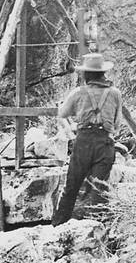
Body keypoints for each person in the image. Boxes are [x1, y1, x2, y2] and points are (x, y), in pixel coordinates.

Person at [52, 52, 126, 225]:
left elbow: (62, 113)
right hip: (104, 143)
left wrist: (72, 129)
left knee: (72, 186)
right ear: (102, 73)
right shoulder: (115, 93)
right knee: (99, 189)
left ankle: (57, 226)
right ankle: (96, 228)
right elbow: (117, 124)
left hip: (83, 142)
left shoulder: (78, 93)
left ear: (87, 74)